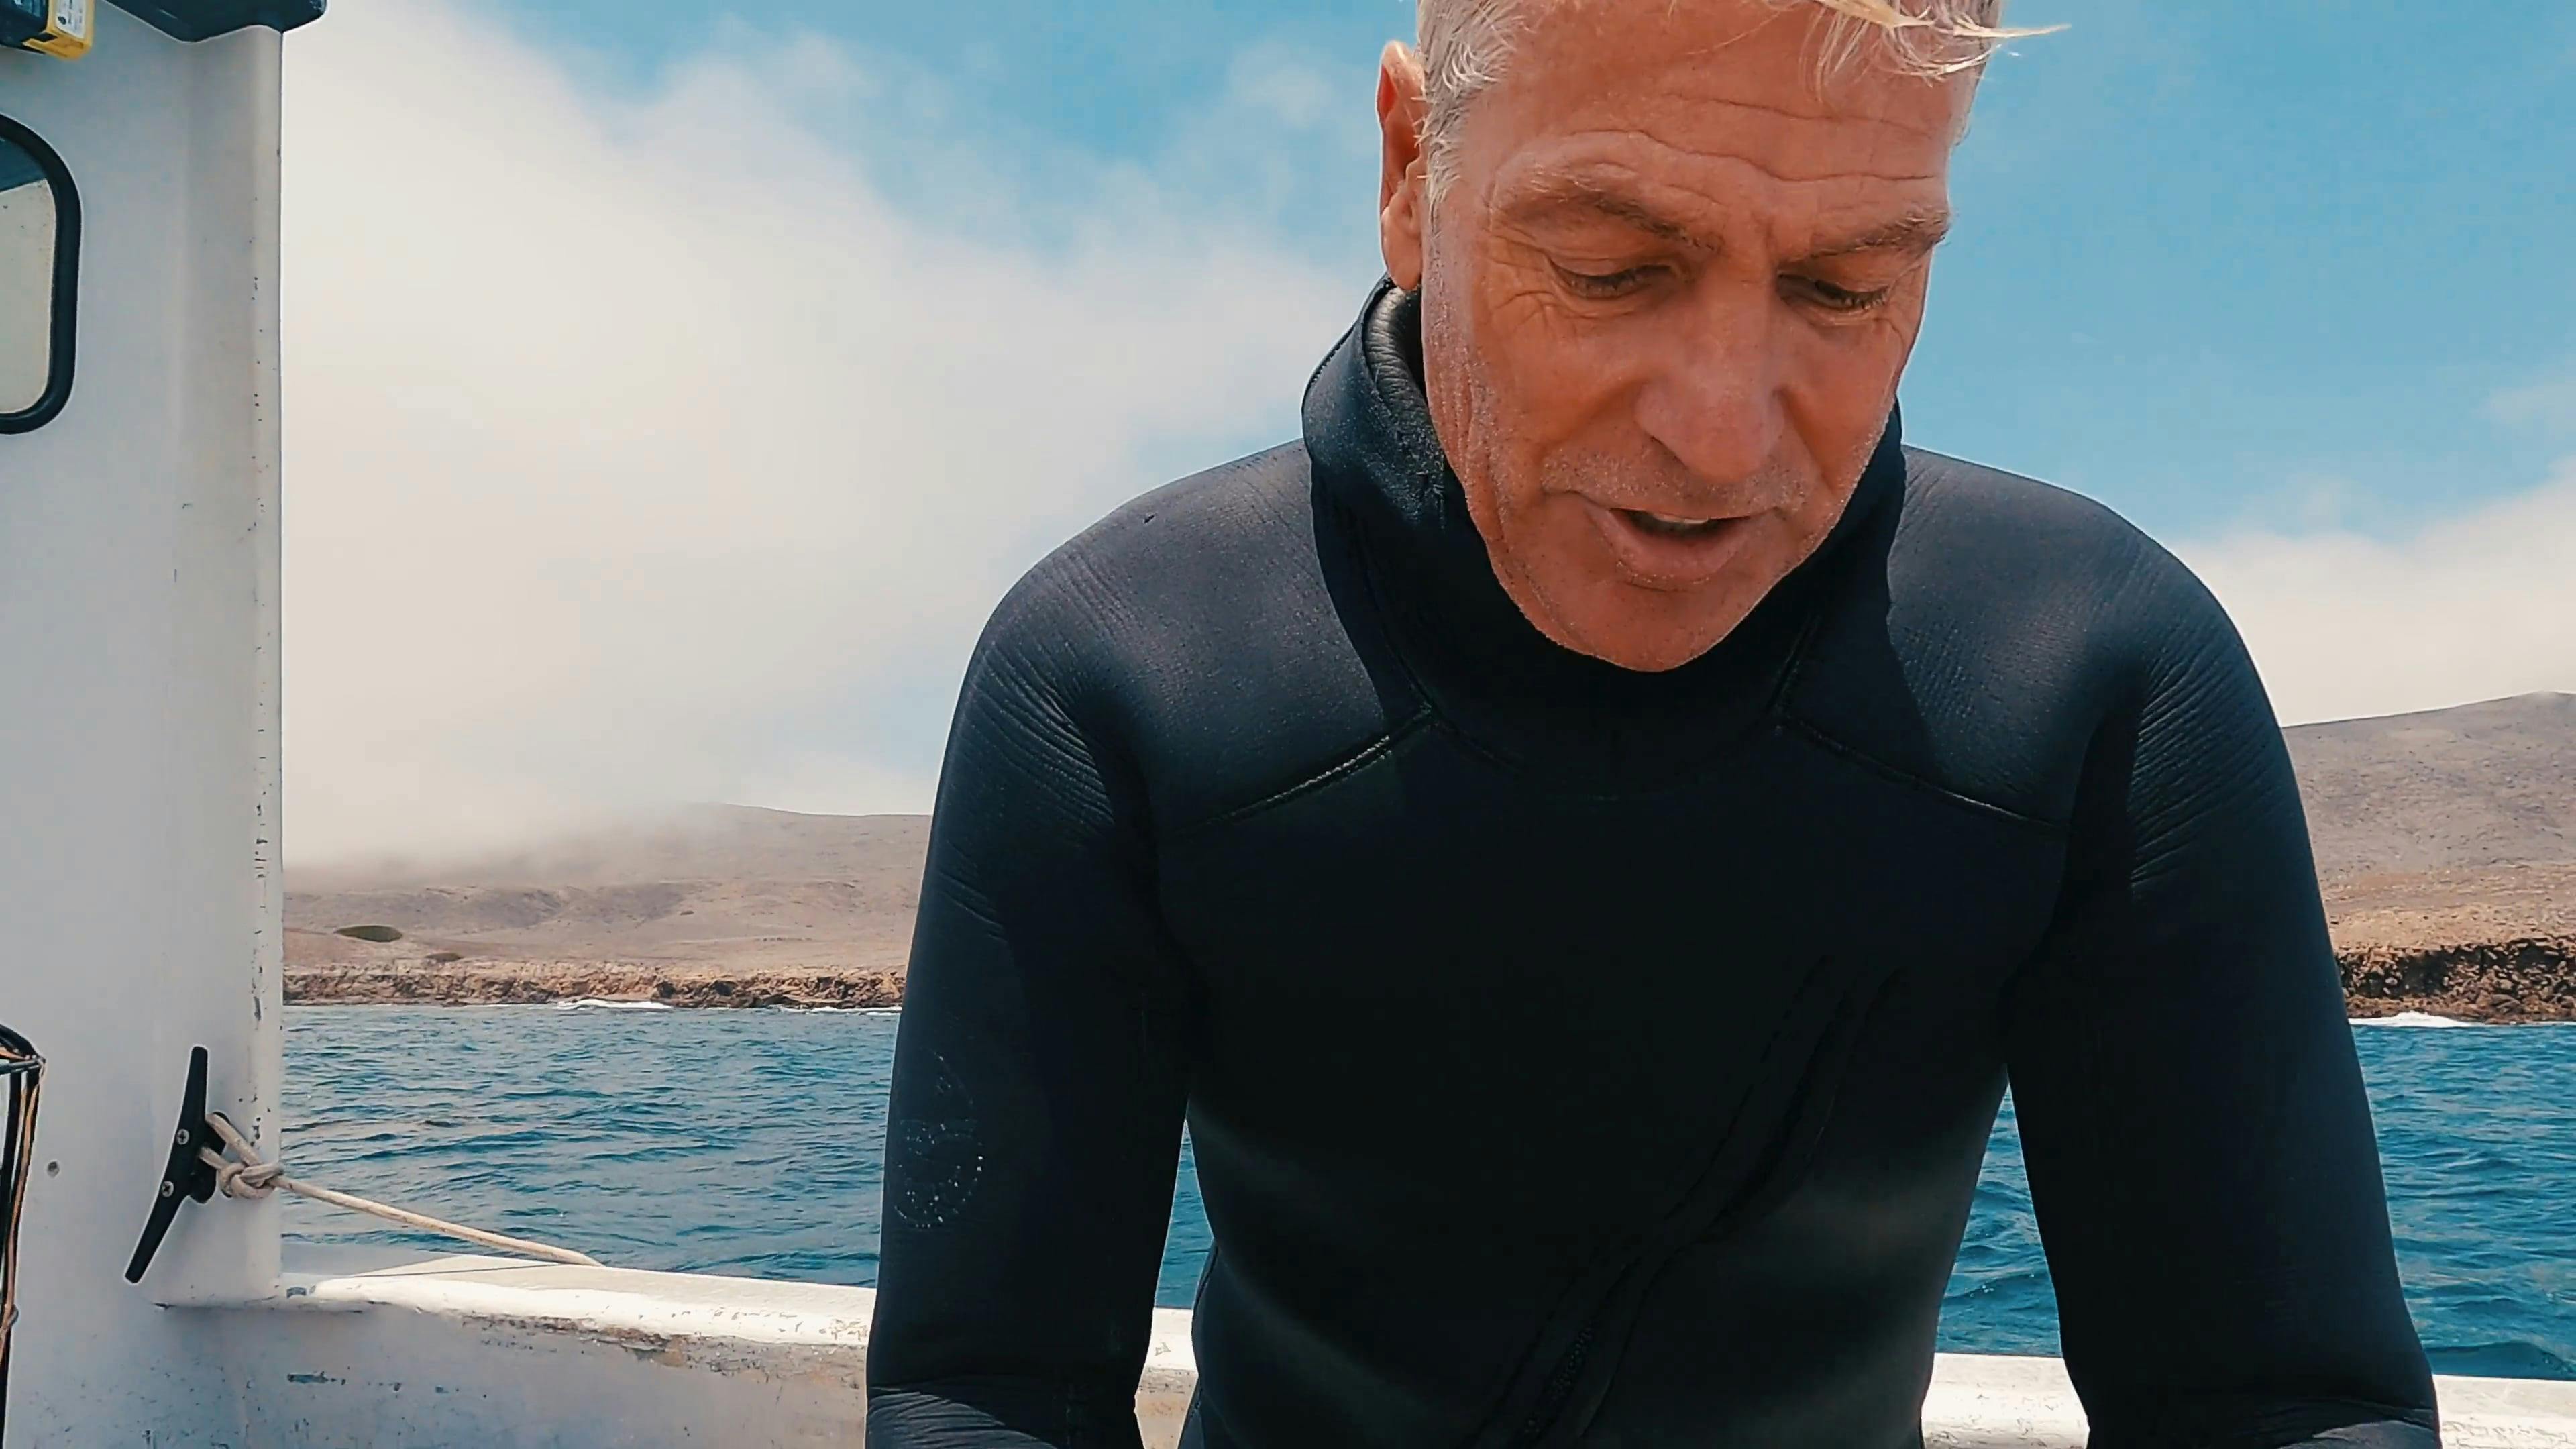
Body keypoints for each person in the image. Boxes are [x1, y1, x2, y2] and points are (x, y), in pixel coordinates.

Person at [863, 1, 2441, 1444]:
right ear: (1416, 174)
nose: (1720, 430)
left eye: (1845, 287)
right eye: (1613, 268)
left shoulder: (2097, 674)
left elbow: (2278, 1403)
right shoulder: (1116, 674)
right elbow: (988, 1392)